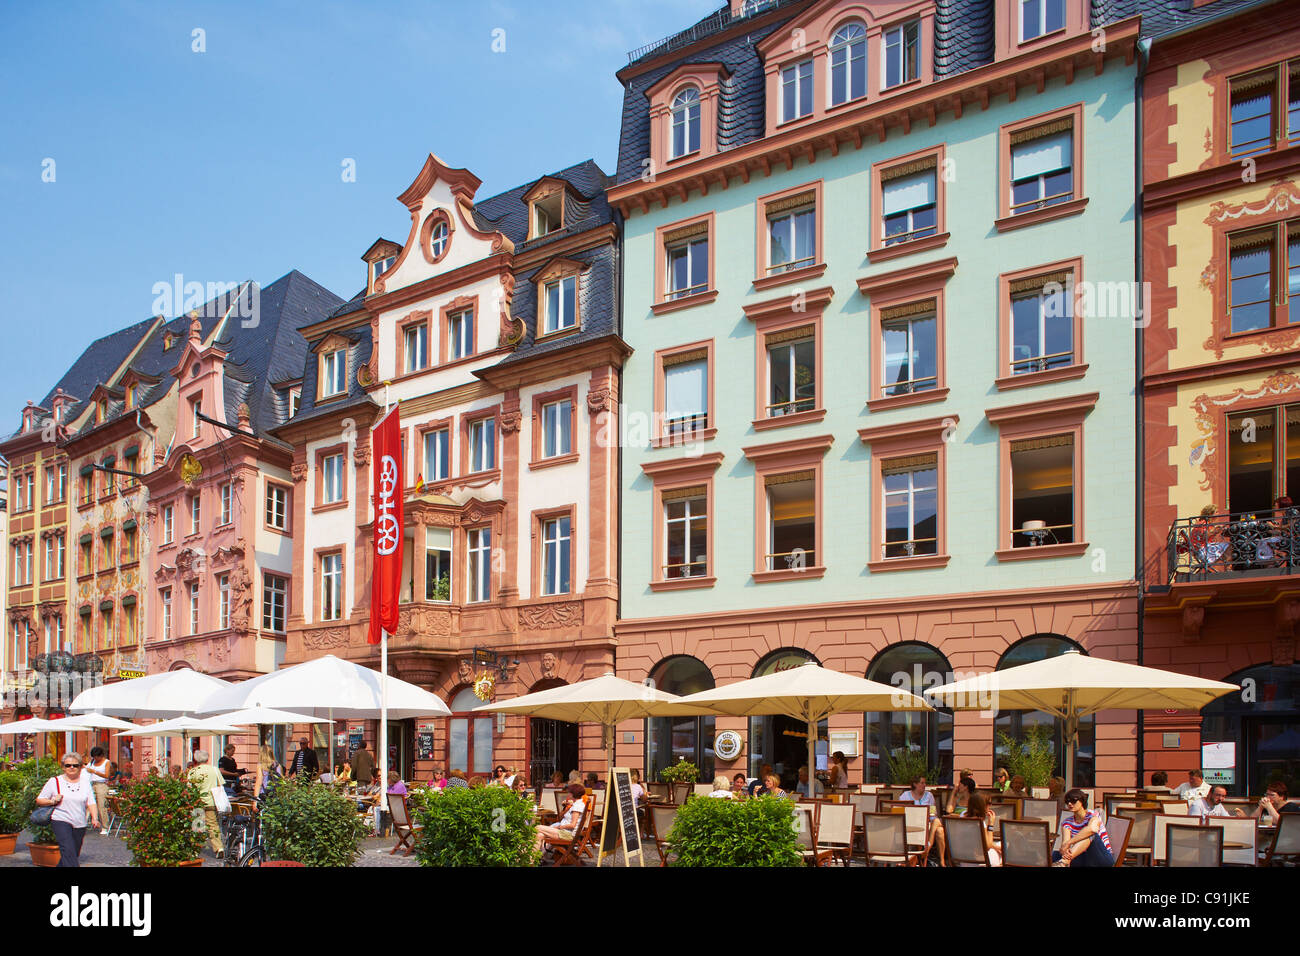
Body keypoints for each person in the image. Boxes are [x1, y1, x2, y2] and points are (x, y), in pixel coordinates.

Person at [35, 753, 100, 868]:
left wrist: (95, 818)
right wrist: (52, 801)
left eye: (75, 765)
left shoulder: (85, 783)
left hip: (80, 823)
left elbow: (91, 802)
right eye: (68, 765)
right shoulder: (54, 781)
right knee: (68, 850)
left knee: (72, 854)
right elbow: (39, 800)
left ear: (80, 767)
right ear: (63, 767)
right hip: (61, 820)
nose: (71, 768)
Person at [1052, 789, 1113, 867]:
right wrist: (1065, 848)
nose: (1070, 804)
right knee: (1055, 855)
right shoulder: (1067, 822)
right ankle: (1063, 862)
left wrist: (1070, 842)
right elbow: (1065, 844)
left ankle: (1064, 862)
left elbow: (1092, 829)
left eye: (1073, 801)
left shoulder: (1093, 814)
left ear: (1082, 801)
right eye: (1067, 802)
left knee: (1090, 835)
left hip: (1101, 858)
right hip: (1084, 859)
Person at [187, 750, 227, 857]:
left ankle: (195, 850)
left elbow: (188, 787)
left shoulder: (193, 771)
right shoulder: (214, 770)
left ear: (196, 759)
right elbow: (220, 784)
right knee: (213, 825)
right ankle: (219, 848)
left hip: (198, 801)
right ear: (207, 758)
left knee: (197, 825)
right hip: (212, 800)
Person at [535, 782, 588, 858]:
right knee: (540, 835)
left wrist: (559, 827)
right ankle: (537, 859)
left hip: (568, 835)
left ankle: (531, 860)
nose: (568, 794)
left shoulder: (577, 806)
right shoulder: (578, 804)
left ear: (573, 794)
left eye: (569, 792)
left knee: (537, 827)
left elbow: (572, 825)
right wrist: (567, 806)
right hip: (566, 833)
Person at [83, 747, 114, 835]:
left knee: (101, 806)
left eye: (96, 757)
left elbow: (107, 775)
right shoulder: (92, 762)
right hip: (92, 784)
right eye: (93, 757)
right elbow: (86, 769)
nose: (95, 759)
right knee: (88, 805)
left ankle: (105, 826)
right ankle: (83, 824)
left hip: (101, 785)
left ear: (101, 755)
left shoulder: (106, 762)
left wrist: (94, 771)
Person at [966, 792, 1002, 865]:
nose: (990, 805)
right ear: (982, 805)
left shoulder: (962, 817)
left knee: (998, 846)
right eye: (989, 803)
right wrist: (991, 824)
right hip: (980, 862)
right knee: (1004, 847)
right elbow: (988, 846)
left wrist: (994, 846)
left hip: (964, 861)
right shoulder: (979, 823)